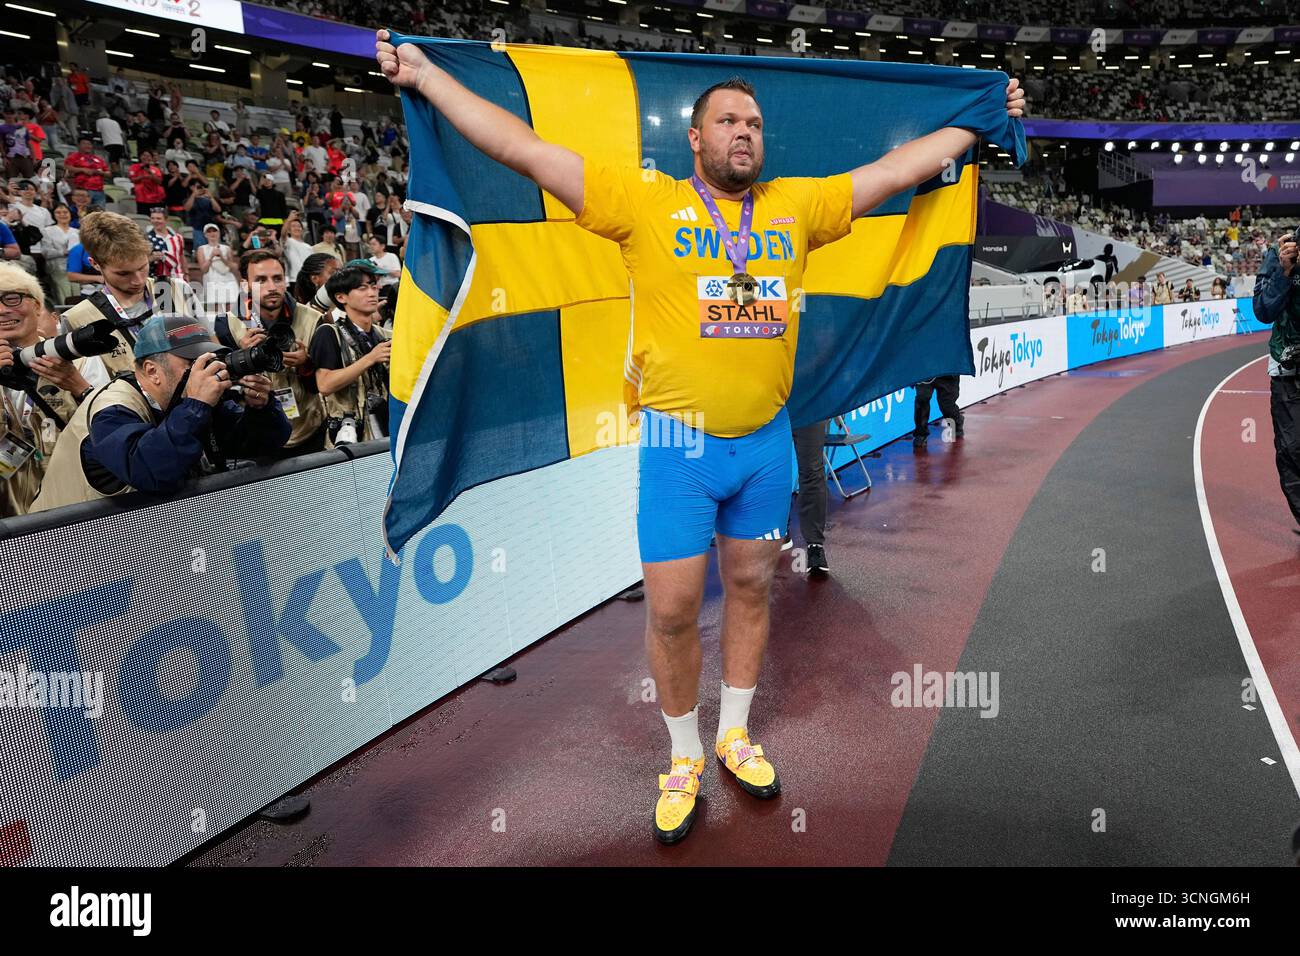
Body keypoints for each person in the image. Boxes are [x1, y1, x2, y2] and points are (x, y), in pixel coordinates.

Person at [374, 30, 1025, 844]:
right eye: (727, 121)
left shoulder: (797, 206)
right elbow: (526, 150)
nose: (743, 133)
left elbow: (897, 172)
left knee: (753, 589)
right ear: (695, 137)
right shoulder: (643, 204)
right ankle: (682, 755)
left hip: (764, 445)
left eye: (752, 123)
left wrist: (981, 117)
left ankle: (734, 734)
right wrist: (428, 76)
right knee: (677, 610)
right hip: (678, 450)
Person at [30, 314, 291, 513]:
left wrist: (261, 409)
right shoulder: (111, 409)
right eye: (193, 363)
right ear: (152, 370)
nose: (208, 369)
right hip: (64, 548)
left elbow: (257, 444)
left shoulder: (190, 400)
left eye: (210, 360)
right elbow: (152, 472)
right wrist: (197, 406)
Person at [0, 262, 106, 516]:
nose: (2, 310)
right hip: (8, 514)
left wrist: (76, 385)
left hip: (76, 505)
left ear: (37, 305)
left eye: (12, 298)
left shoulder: (79, 360)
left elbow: (108, 428)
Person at [215, 250, 327, 457]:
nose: (272, 287)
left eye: (277, 278)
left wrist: (305, 364)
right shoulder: (228, 324)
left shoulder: (313, 319)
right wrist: (242, 357)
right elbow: (223, 390)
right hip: (260, 434)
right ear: (245, 284)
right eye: (260, 280)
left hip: (308, 430)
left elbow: (325, 385)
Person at [63, 211, 196, 378]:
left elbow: (211, 344)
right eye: (123, 274)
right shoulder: (77, 319)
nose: (138, 280)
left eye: (142, 267)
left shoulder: (178, 290)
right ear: (95, 264)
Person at [309, 264, 391, 445]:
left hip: (387, 426)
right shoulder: (329, 333)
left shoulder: (384, 335)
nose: (372, 293)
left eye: (373, 286)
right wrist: (370, 358)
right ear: (341, 297)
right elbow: (325, 384)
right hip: (351, 436)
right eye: (362, 288)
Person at [1252, 231, 1300, 532]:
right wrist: (1283, 272)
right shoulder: (1278, 255)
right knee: (1292, 449)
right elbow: (1262, 311)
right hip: (1287, 370)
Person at [791, 420, 830, 576]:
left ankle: (815, 545)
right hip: (772, 403)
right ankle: (779, 531)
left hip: (810, 405)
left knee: (812, 470)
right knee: (771, 471)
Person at [38, 203, 78, 304]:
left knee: (77, 297)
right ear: (54, 215)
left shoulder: (78, 232)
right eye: (58, 212)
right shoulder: (47, 231)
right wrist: (63, 252)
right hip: (58, 269)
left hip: (76, 269)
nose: (62, 215)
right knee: (64, 297)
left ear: (70, 214)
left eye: (65, 212)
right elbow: (45, 252)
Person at [196, 223, 239, 313]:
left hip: (228, 280)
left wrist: (222, 257)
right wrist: (211, 256)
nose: (212, 234)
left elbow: (234, 267)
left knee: (231, 310)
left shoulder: (226, 248)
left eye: (214, 231)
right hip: (212, 281)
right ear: (205, 235)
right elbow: (203, 269)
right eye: (209, 232)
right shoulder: (201, 249)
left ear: (219, 233)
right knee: (217, 312)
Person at [913, 375, 963, 450]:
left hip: (948, 373)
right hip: (925, 370)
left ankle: (957, 423)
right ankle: (921, 434)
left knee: (947, 405)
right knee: (922, 399)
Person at [64, 137, 109, 206]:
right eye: (84, 144)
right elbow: (67, 168)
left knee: (99, 213)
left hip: (99, 191)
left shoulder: (98, 159)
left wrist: (100, 172)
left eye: (89, 144)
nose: (87, 146)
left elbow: (108, 173)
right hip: (83, 191)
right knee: (84, 212)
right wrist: (83, 170)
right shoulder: (73, 157)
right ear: (78, 145)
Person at [145, 207, 187, 282]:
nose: (155, 221)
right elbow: (140, 262)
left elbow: (181, 257)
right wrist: (151, 258)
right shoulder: (146, 239)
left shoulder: (178, 238)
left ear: (166, 219)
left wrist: (186, 274)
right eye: (152, 218)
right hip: (156, 280)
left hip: (177, 278)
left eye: (158, 218)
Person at [129, 150, 167, 215]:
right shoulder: (134, 167)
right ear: (140, 157)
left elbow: (159, 182)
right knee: (143, 219)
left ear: (151, 158)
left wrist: (151, 174)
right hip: (141, 199)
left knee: (156, 219)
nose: (146, 157)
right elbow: (132, 180)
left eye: (148, 156)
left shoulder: (155, 169)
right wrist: (143, 176)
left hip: (156, 199)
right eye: (144, 155)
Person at [282, 214, 313, 283]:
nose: (297, 228)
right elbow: (283, 233)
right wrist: (289, 219)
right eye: (293, 226)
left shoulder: (308, 247)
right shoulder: (288, 241)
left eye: (299, 226)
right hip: (294, 280)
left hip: (307, 280)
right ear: (289, 230)